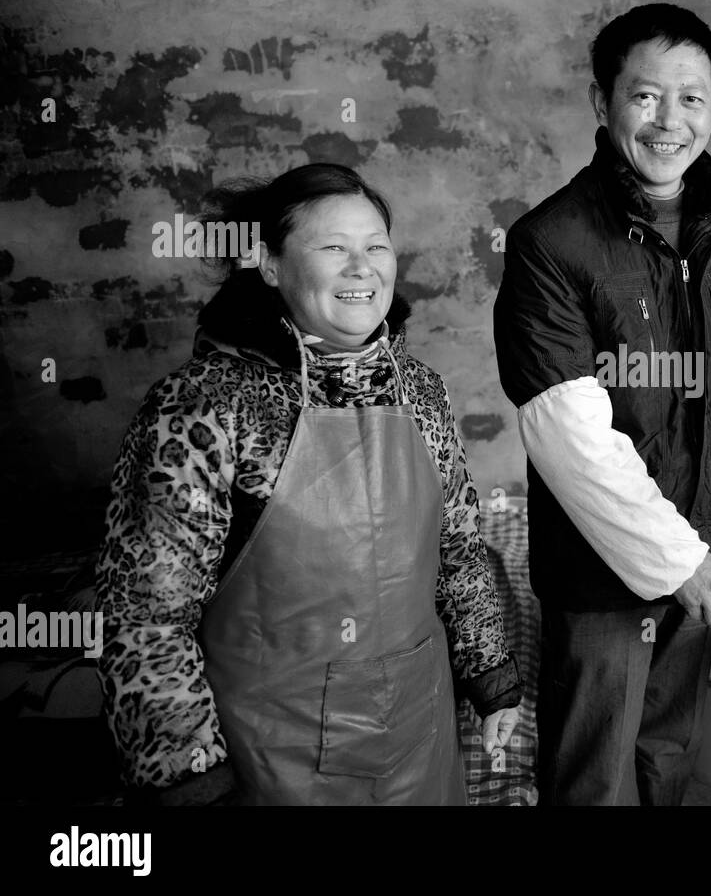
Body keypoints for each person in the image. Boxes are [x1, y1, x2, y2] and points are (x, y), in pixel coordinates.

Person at [96, 163, 522, 805]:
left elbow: (457, 552)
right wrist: (190, 777)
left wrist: (491, 678)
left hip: (418, 737)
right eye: (333, 248)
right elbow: (147, 617)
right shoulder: (202, 406)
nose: (362, 267)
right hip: (272, 758)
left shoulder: (421, 391)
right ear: (269, 265)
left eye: (376, 246)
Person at [493, 3, 711, 806]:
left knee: (668, 750)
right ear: (601, 103)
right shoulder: (552, 242)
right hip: (607, 571)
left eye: (690, 97)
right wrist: (682, 562)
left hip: (706, 538)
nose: (668, 120)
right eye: (644, 96)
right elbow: (571, 442)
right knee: (594, 772)